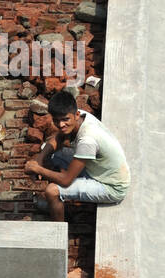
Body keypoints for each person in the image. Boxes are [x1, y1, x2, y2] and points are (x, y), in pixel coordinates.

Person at [25, 90, 130, 221]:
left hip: (110, 186)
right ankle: (56, 205)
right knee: (50, 154)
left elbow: (65, 180)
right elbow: (58, 137)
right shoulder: (80, 116)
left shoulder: (87, 140)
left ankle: (58, 232)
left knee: (52, 191)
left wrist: (37, 169)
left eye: (65, 120)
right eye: (56, 121)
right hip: (99, 168)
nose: (61, 125)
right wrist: (39, 160)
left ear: (76, 114)